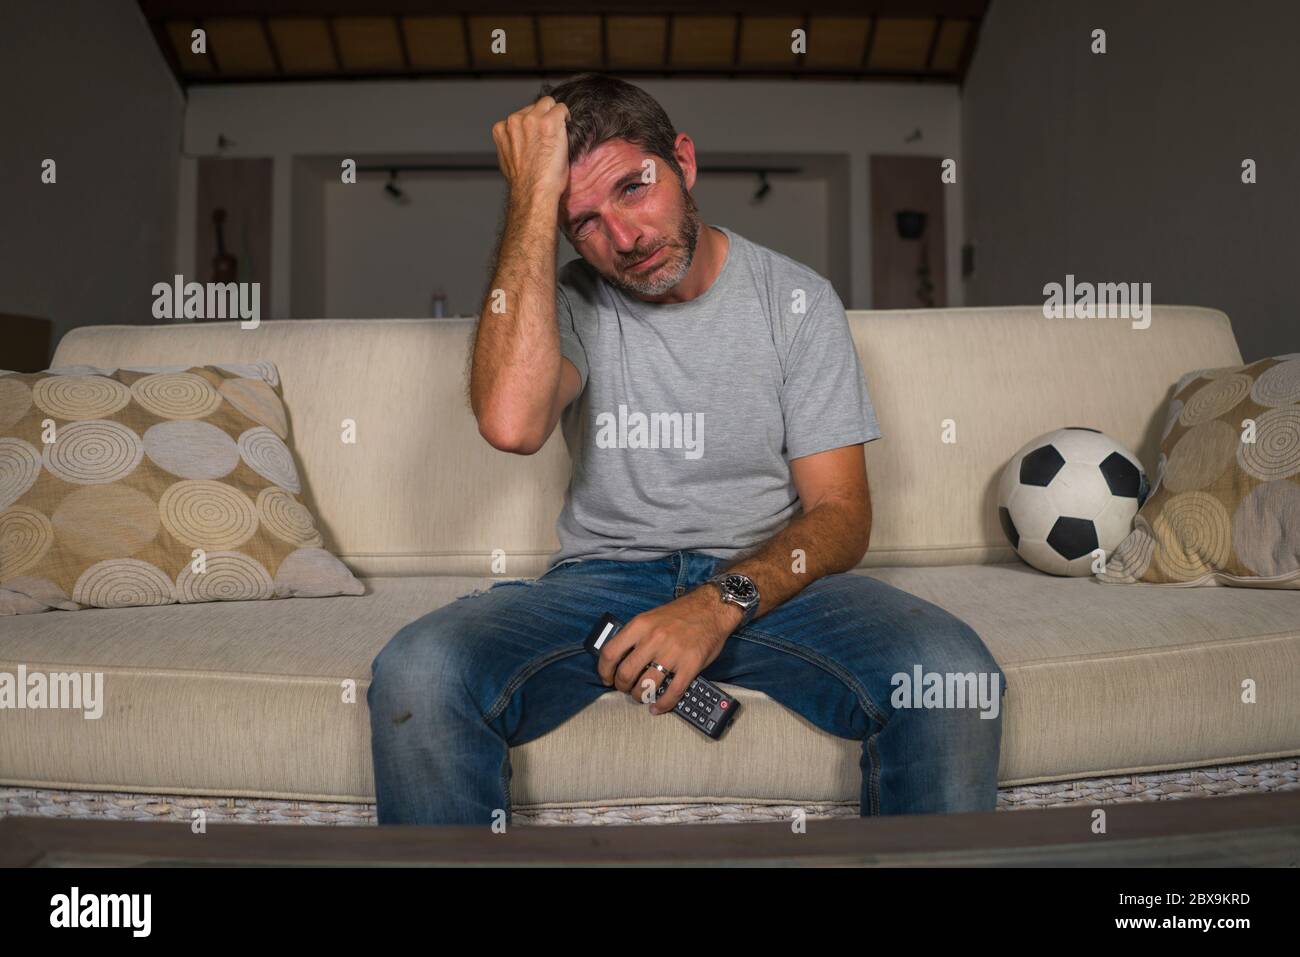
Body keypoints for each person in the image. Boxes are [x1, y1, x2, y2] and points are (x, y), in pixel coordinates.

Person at [368, 73, 1004, 826]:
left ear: (685, 163)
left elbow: (840, 514)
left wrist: (714, 605)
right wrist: (531, 199)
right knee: (417, 672)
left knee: (954, 672)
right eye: (586, 221)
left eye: (635, 189)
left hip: (767, 583)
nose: (626, 238)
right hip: (601, 584)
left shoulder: (794, 301)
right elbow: (511, 424)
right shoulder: (566, 301)